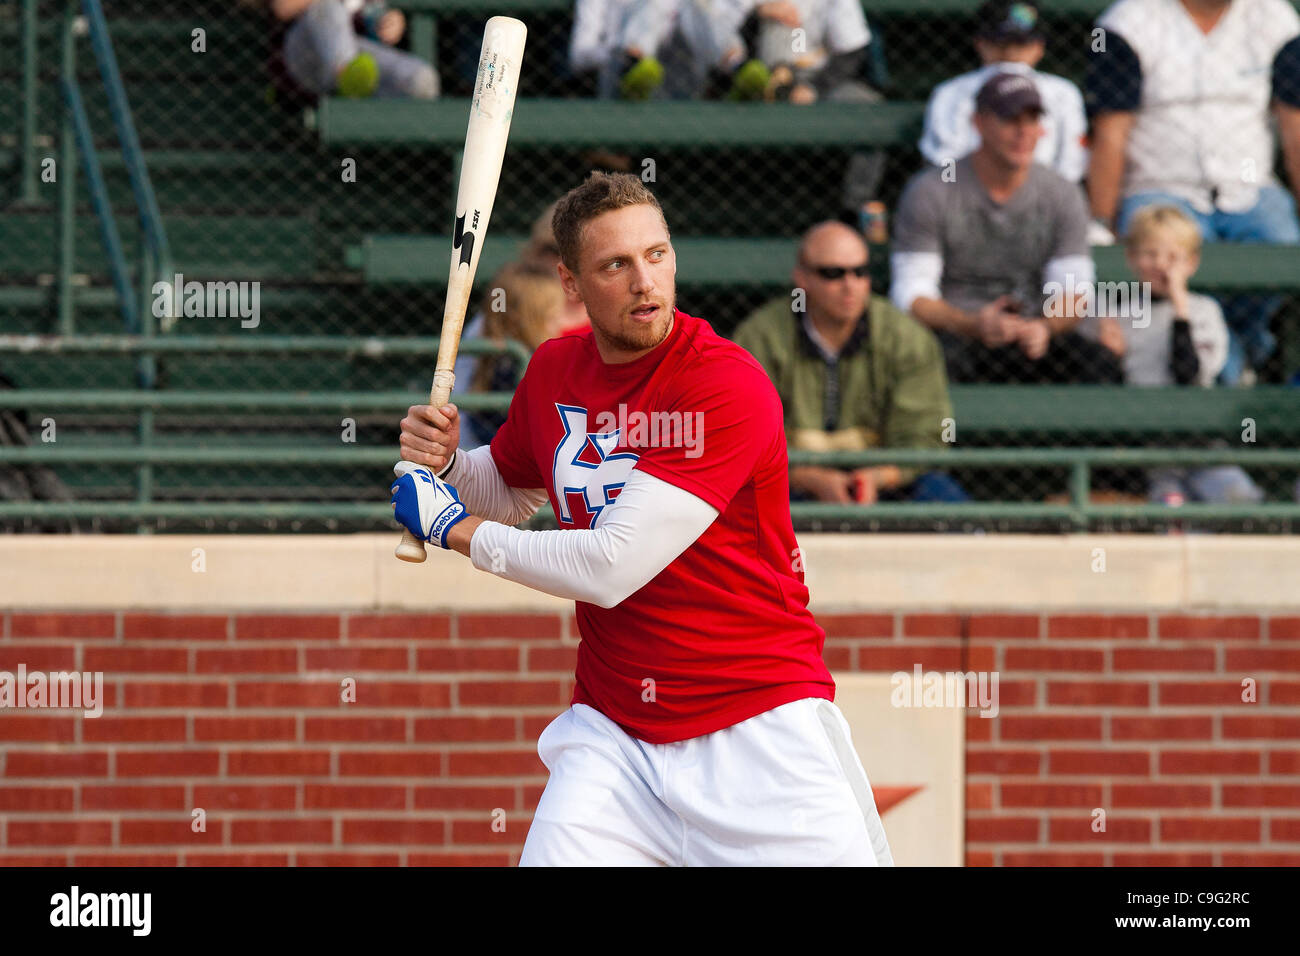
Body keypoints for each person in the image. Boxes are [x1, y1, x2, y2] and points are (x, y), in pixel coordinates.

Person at [391, 171, 894, 867]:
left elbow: (608, 567)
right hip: (615, 734)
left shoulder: (724, 383)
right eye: (615, 265)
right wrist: (448, 464)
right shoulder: (554, 368)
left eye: (656, 255)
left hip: (755, 728)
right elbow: (507, 489)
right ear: (572, 284)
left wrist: (455, 530)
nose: (643, 281)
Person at [1085, 0, 1300, 381]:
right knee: (1168, 257)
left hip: (1249, 186)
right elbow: (1111, 135)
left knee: (1282, 239)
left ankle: (1240, 350)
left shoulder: (1276, 18)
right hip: (1159, 186)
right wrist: (1102, 221)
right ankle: (1232, 374)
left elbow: (1295, 128)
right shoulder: (1128, 22)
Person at [891, 72, 1123, 385]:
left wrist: (1045, 326)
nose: (1023, 132)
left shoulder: (1061, 193)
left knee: (1100, 364)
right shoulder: (932, 190)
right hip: (959, 332)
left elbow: (1074, 289)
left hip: (1035, 333)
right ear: (979, 123)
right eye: (1009, 119)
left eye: (1032, 120)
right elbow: (911, 294)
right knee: (927, 362)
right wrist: (973, 324)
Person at [733, 222, 966, 505]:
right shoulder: (760, 338)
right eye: (833, 273)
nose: (850, 285)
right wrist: (812, 479)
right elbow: (742, 441)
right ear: (802, 278)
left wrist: (876, 478)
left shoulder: (906, 338)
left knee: (947, 503)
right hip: (787, 483)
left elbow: (926, 438)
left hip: (885, 484)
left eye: (860, 272)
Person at [1079, 205, 1264, 505]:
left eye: (1173, 258)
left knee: (1239, 497)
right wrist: (1108, 352)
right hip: (1146, 449)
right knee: (1171, 508)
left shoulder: (1203, 311)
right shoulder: (1117, 314)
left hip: (1199, 442)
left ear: (1191, 263)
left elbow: (1188, 373)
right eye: (1150, 255)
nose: (1162, 266)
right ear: (1132, 258)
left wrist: (1180, 311)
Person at [920, 1, 1088, 185]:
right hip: (970, 197)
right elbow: (944, 161)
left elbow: (1071, 163)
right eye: (1002, 43)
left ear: (1039, 46)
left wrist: (1050, 199)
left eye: (1021, 43)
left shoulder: (1064, 93)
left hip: (1042, 199)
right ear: (980, 43)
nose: (1011, 52)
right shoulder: (950, 93)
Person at [459, 260, 574, 450]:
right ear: (531, 322)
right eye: (552, 317)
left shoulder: (510, 355)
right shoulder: (510, 363)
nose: (561, 322)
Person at [265, 0, 438, 99]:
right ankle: (345, 72)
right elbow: (282, 7)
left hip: (359, 53)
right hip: (307, 54)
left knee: (422, 79)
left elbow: (376, 19)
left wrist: (392, 22)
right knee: (327, 7)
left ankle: (353, 82)